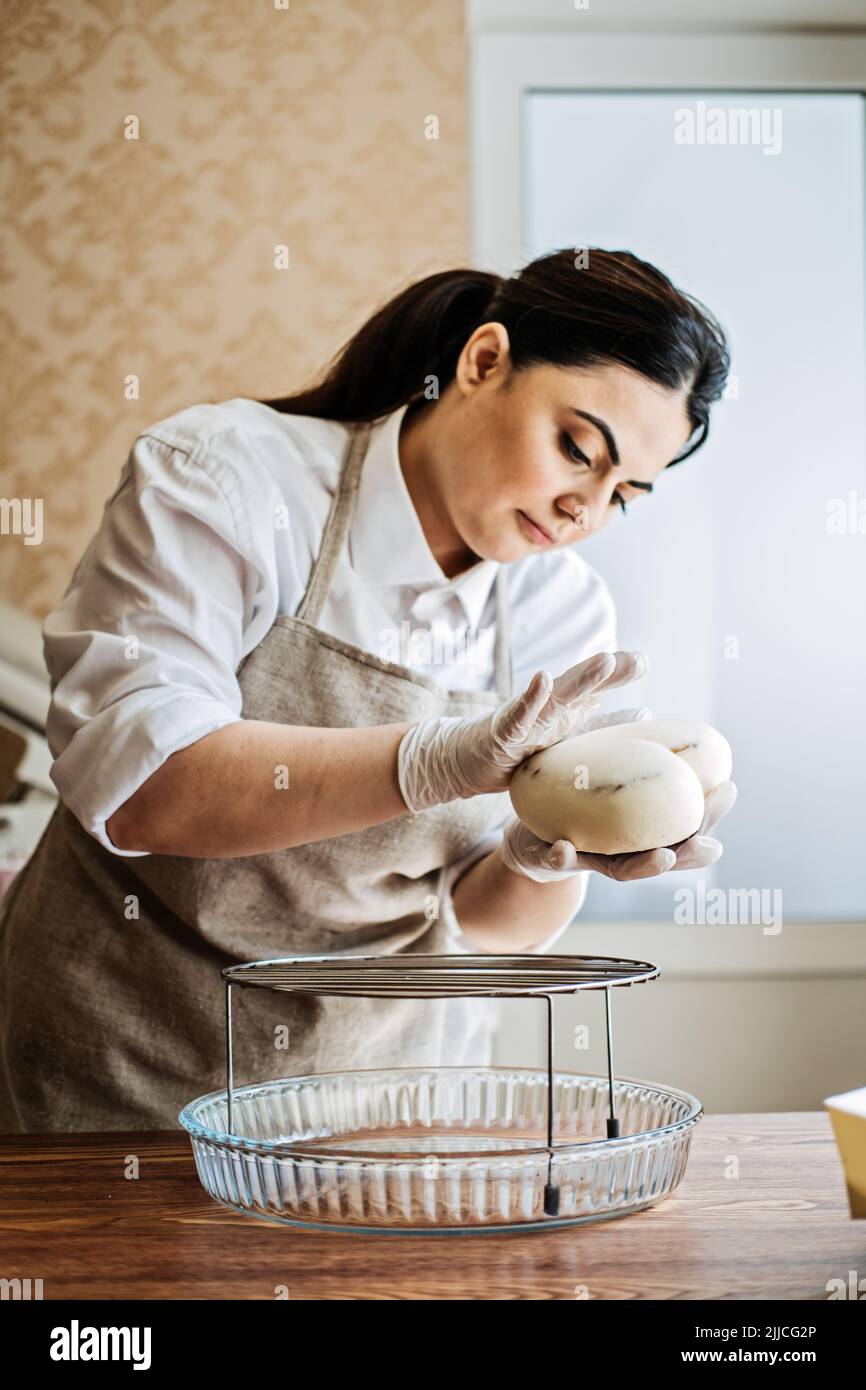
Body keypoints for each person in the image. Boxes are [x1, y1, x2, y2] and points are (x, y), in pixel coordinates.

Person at [0, 247, 737, 1133]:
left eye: (625, 493)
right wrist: (431, 762)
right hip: (119, 1061)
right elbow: (145, 786)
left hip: (383, 1097)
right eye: (578, 448)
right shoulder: (232, 477)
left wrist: (545, 857)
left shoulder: (561, 608)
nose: (587, 508)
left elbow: (479, 928)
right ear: (484, 360)